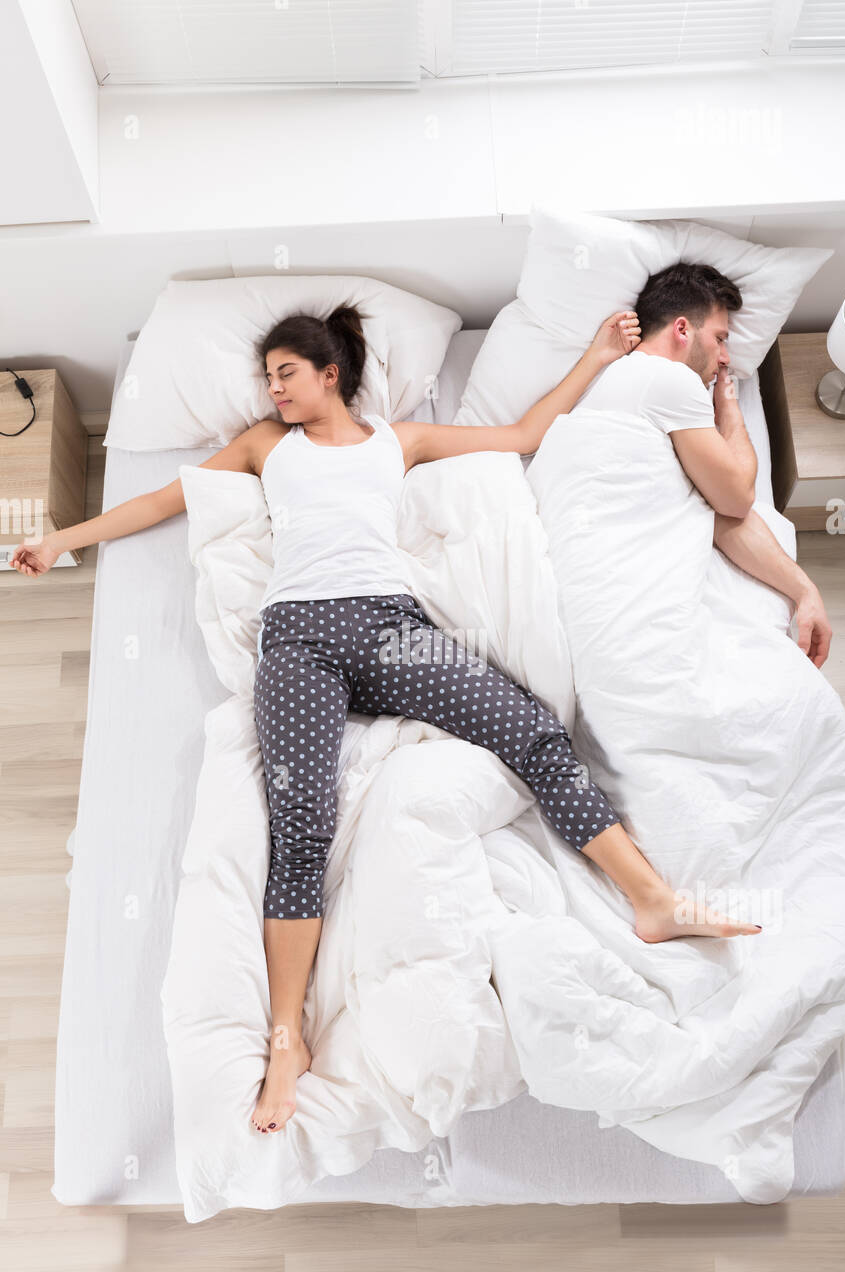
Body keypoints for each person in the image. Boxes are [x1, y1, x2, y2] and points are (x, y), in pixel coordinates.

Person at [11, 303, 761, 1138]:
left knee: (532, 732)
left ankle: (652, 900)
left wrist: (591, 356)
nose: (273, 390)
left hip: (390, 628)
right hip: (298, 640)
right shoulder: (268, 446)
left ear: (330, 374)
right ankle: (287, 1043)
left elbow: (520, 437)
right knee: (302, 830)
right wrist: (63, 539)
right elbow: (162, 500)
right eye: (267, 379)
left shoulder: (396, 442)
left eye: (286, 374)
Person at [576, 261, 832, 667]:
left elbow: (719, 514)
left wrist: (805, 592)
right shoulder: (669, 380)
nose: (726, 357)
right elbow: (737, 499)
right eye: (720, 338)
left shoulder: (621, 380)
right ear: (682, 330)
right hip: (612, 588)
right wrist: (729, 406)